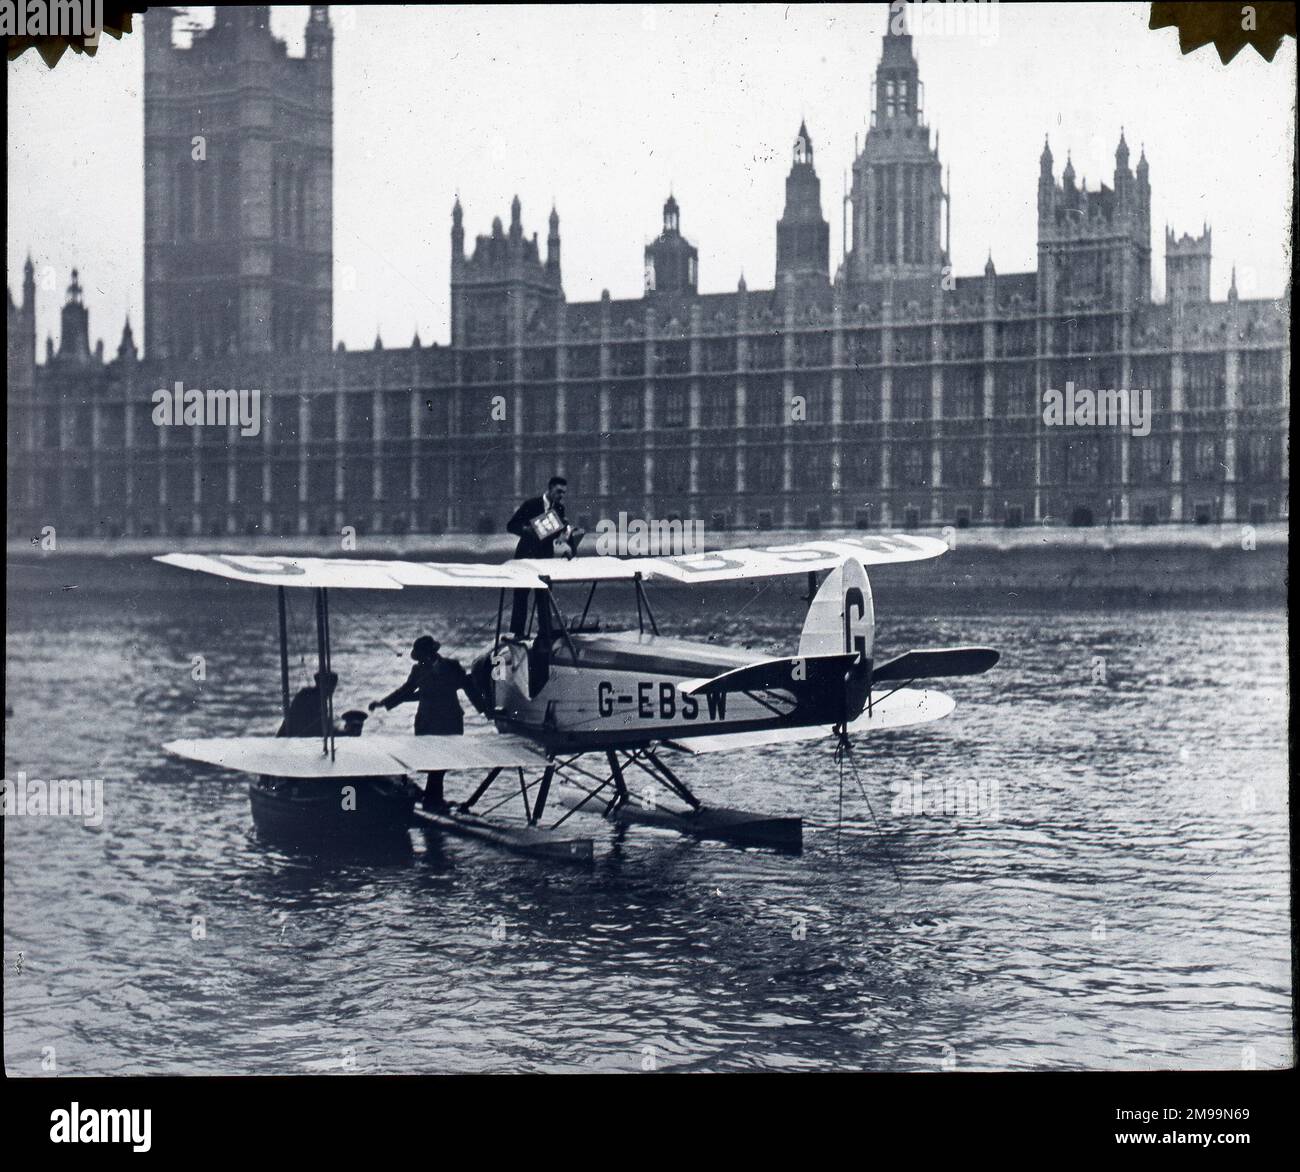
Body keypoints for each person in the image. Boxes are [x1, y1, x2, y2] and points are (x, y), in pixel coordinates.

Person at [368, 635, 487, 812]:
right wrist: (383, 703)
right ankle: (434, 800)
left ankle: (433, 800)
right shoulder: (418, 670)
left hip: (450, 720)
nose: (422, 659)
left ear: (431, 653)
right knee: (433, 762)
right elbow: (405, 691)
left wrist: (485, 710)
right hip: (427, 721)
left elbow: (468, 687)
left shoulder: (452, 666)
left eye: (423, 655)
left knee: (443, 762)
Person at [506, 476, 585, 636]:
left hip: (545, 560)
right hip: (526, 558)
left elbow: (563, 530)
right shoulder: (531, 504)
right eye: (558, 491)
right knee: (521, 597)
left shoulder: (559, 509)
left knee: (544, 598)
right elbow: (511, 526)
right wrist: (529, 530)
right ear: (549, 489)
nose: (561, 495)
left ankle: (545, 636)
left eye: (563, 493)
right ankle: (516, 635)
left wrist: (570, 547)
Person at [277, 671, 339, 738]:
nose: (332, 690)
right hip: (296, 735)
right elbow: (315, 725)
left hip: (296, 733)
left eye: (333, 687)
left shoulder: (310, 694)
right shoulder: (311, 697)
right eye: (330, 687)